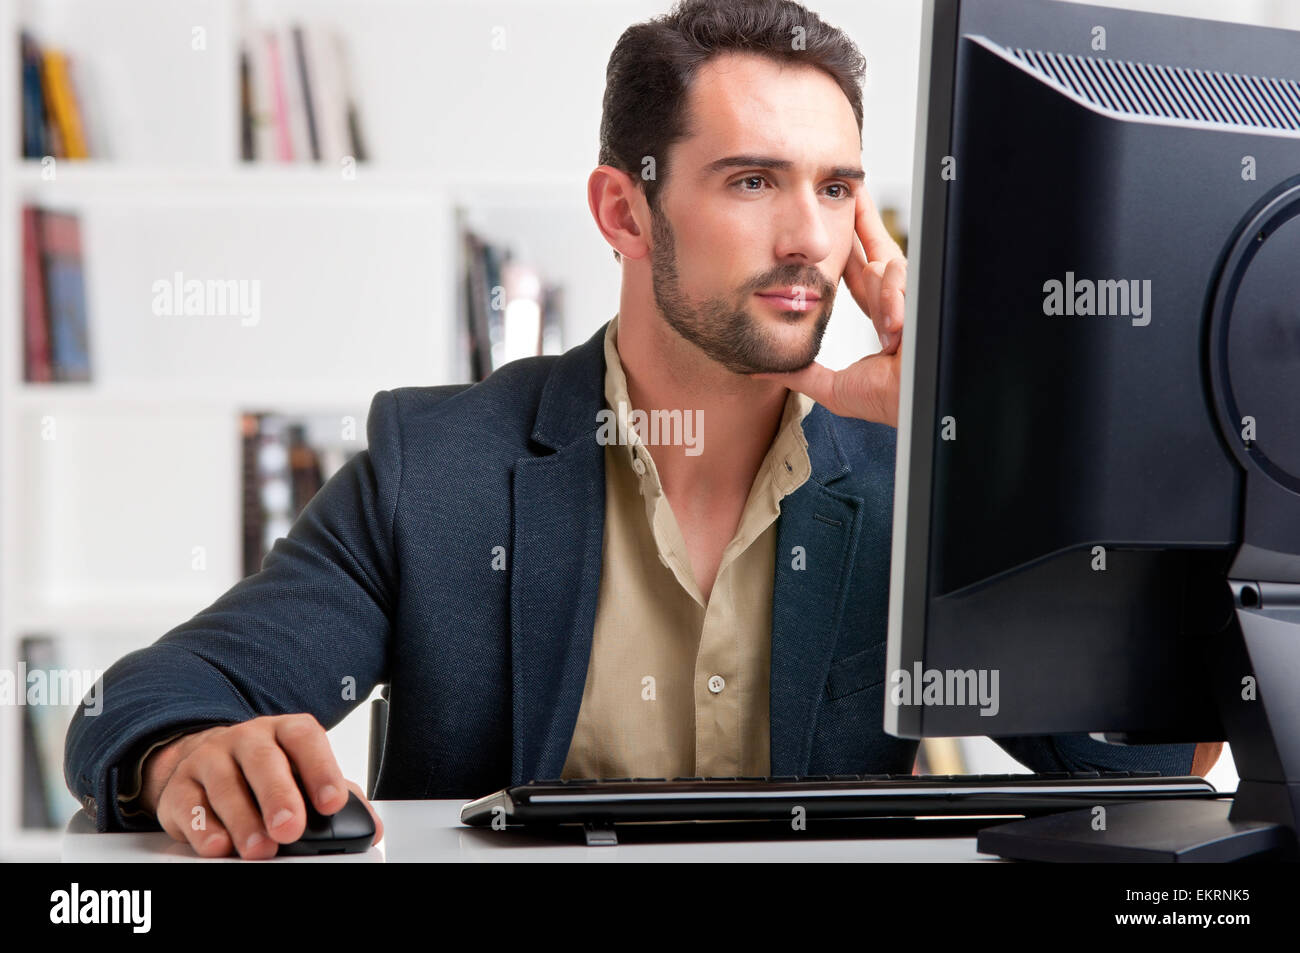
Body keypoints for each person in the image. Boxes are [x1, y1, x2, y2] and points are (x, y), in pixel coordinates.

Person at [64, 0, 1214, 859]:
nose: (809, 237)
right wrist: (184, 753)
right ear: (624, 209)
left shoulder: (915, 471)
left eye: (833, 188)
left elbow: (1149, 767)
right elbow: (148, 698)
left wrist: (996, 438)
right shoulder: (442, 465)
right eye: (754, 182)